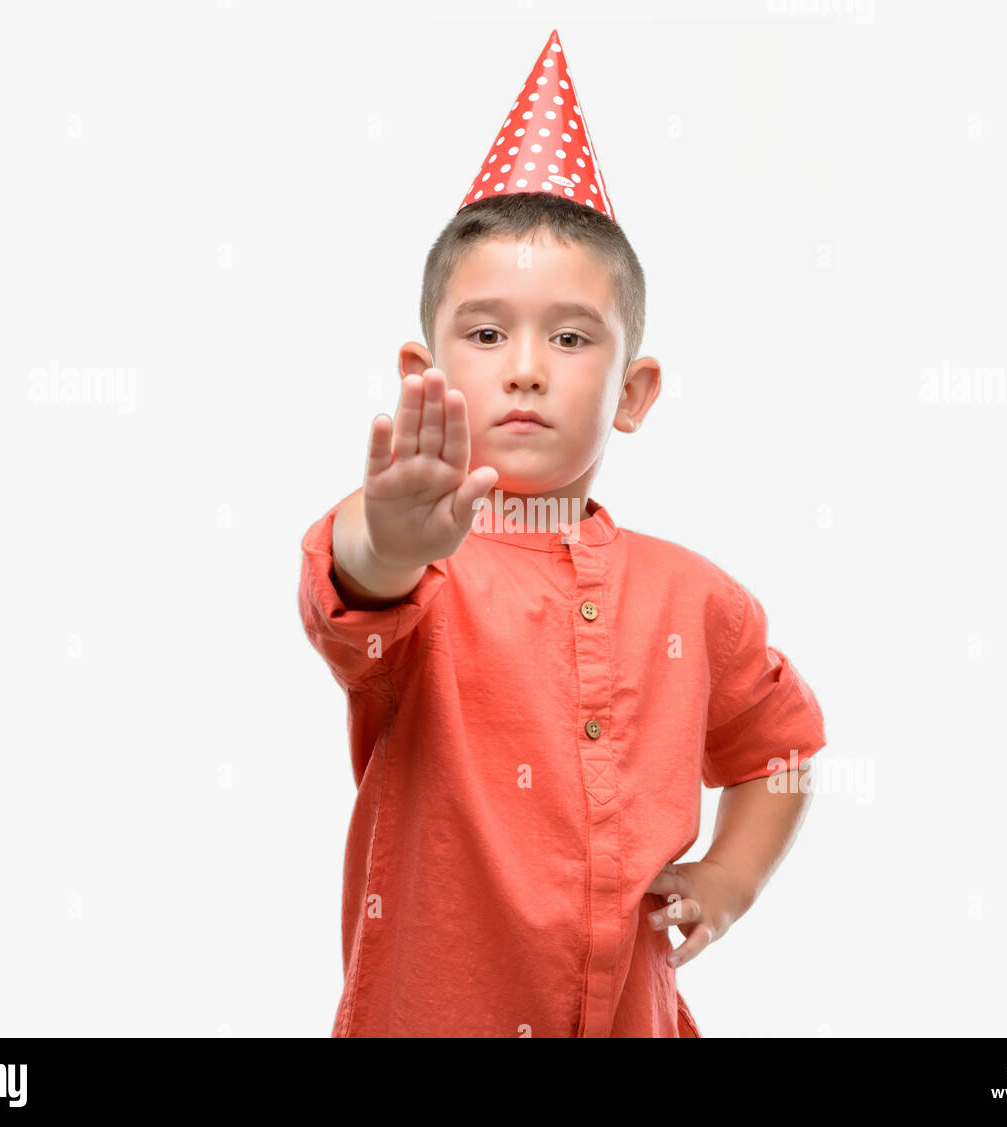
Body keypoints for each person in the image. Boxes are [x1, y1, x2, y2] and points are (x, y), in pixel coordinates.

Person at [297, 29, 826, 1037]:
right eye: (486, 333)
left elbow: (783, 748)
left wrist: (731, 873)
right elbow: (351, 588)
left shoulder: (694, 596)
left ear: (632, 392)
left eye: (570, 336)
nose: (526, 366)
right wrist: (392, 535)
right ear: (426, 370)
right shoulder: (423, 575)